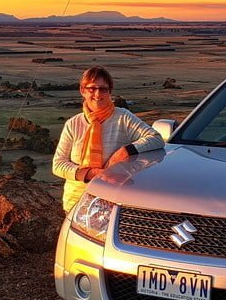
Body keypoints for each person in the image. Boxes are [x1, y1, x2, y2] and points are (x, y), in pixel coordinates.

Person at [53, 66, 164, 212]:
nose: (98, 94)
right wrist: (93, 174)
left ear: (110, 91)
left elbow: (156, 138)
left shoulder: (123, 117)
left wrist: (126, 150)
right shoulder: (73, 124)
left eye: (103, 89)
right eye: (92, 88)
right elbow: (58, 164)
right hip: (75, 202)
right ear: (83, 91)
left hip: (111, 201)